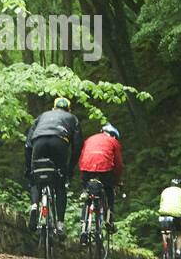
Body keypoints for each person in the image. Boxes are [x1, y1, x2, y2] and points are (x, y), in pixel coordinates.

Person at [24, 97, 81, 236]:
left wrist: (29, 170)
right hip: (59, 142)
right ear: (69, 109)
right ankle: (60, 224)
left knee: (35, 179)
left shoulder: (42, 116)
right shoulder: (72, 118)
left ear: (53, 108)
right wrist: (69, 169)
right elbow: (78, 146)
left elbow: (27, 145)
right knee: (60, 186)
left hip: (39, 141)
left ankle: (34, 206)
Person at [77, 122, 124, 235]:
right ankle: (109, 219)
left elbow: (82, 156)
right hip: (105, 169)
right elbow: (119, 164)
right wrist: (117, 181)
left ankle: (84, 226)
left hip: (86, 168)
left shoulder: (89, 139)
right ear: (113, 135)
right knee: (109, 192)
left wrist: (83, 177)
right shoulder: (113, 141)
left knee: (88, 193)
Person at [157, 178, 181, 259]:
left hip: (162, 214)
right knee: (180, 233)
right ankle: (177, 251)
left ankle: (166, 246)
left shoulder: (165, 191)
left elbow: (161, 203)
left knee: (164, 231)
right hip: (176, 215)